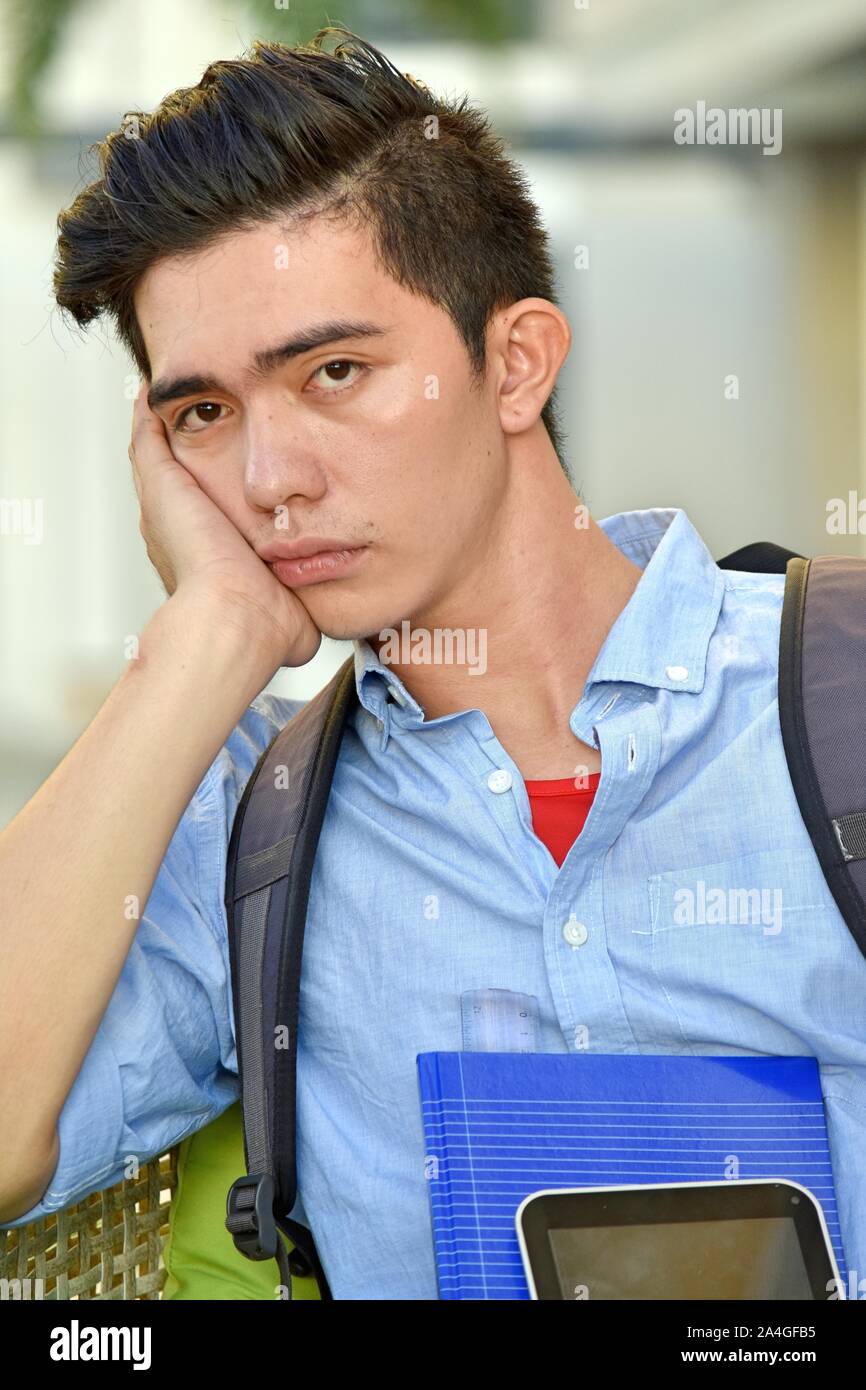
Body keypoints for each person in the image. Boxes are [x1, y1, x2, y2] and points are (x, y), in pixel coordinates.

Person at [1, 27, 864, 1301]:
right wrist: (202, 640)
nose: (269, 479)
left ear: (513, 363)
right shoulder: (247, 838)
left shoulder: (837, 698)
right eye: (204, 413)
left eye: (333, 371)